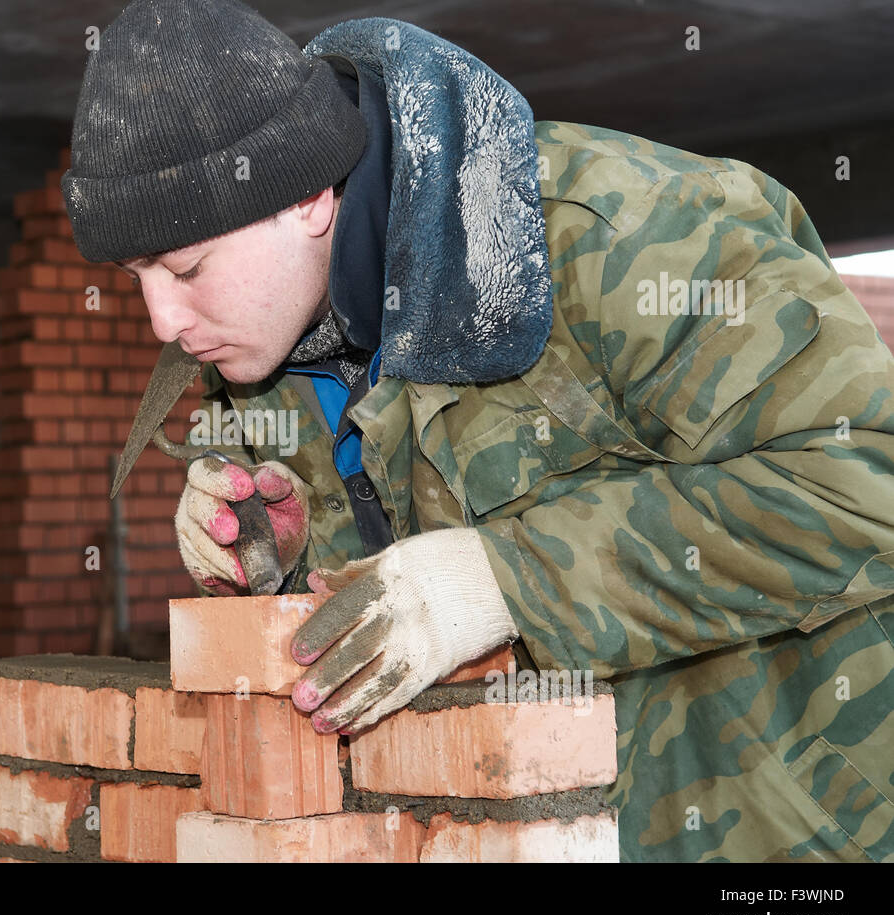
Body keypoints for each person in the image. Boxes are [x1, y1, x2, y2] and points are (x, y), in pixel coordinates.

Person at [61, 0, 894, 862]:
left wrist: (511, 579)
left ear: (307, 195)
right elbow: (384, 620)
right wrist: (277, 563)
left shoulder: (618, 232)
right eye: (137, 276)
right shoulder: (253, 355)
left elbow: (867, 478)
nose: (163, 319)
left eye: (187, 267)